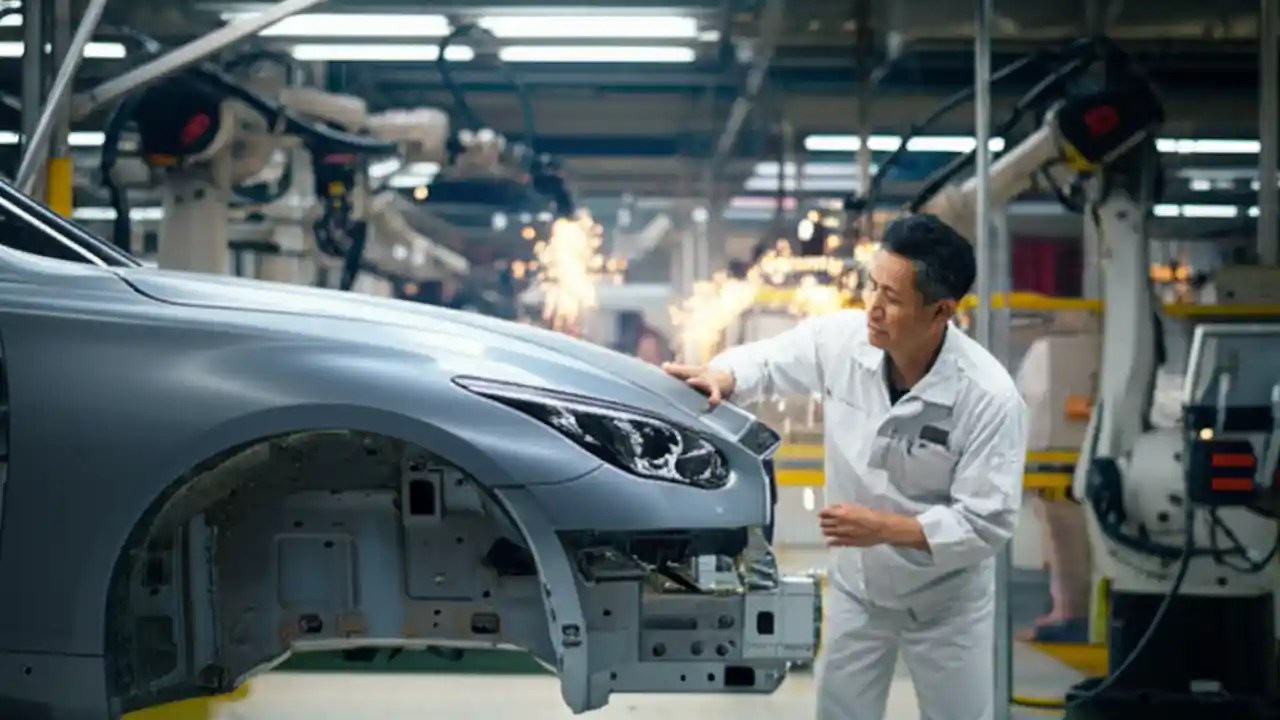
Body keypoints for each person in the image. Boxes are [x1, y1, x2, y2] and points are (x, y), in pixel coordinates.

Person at [663, 213, 1028, 720]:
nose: (872, 309)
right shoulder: (845, 341)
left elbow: (986, 522)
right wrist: (723, 375)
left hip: (947, 606)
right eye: (871, 286)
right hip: (860, 591)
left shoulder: (987, 398)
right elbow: (770, 361)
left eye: (893, 299)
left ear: (942, 311)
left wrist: (882, 527)